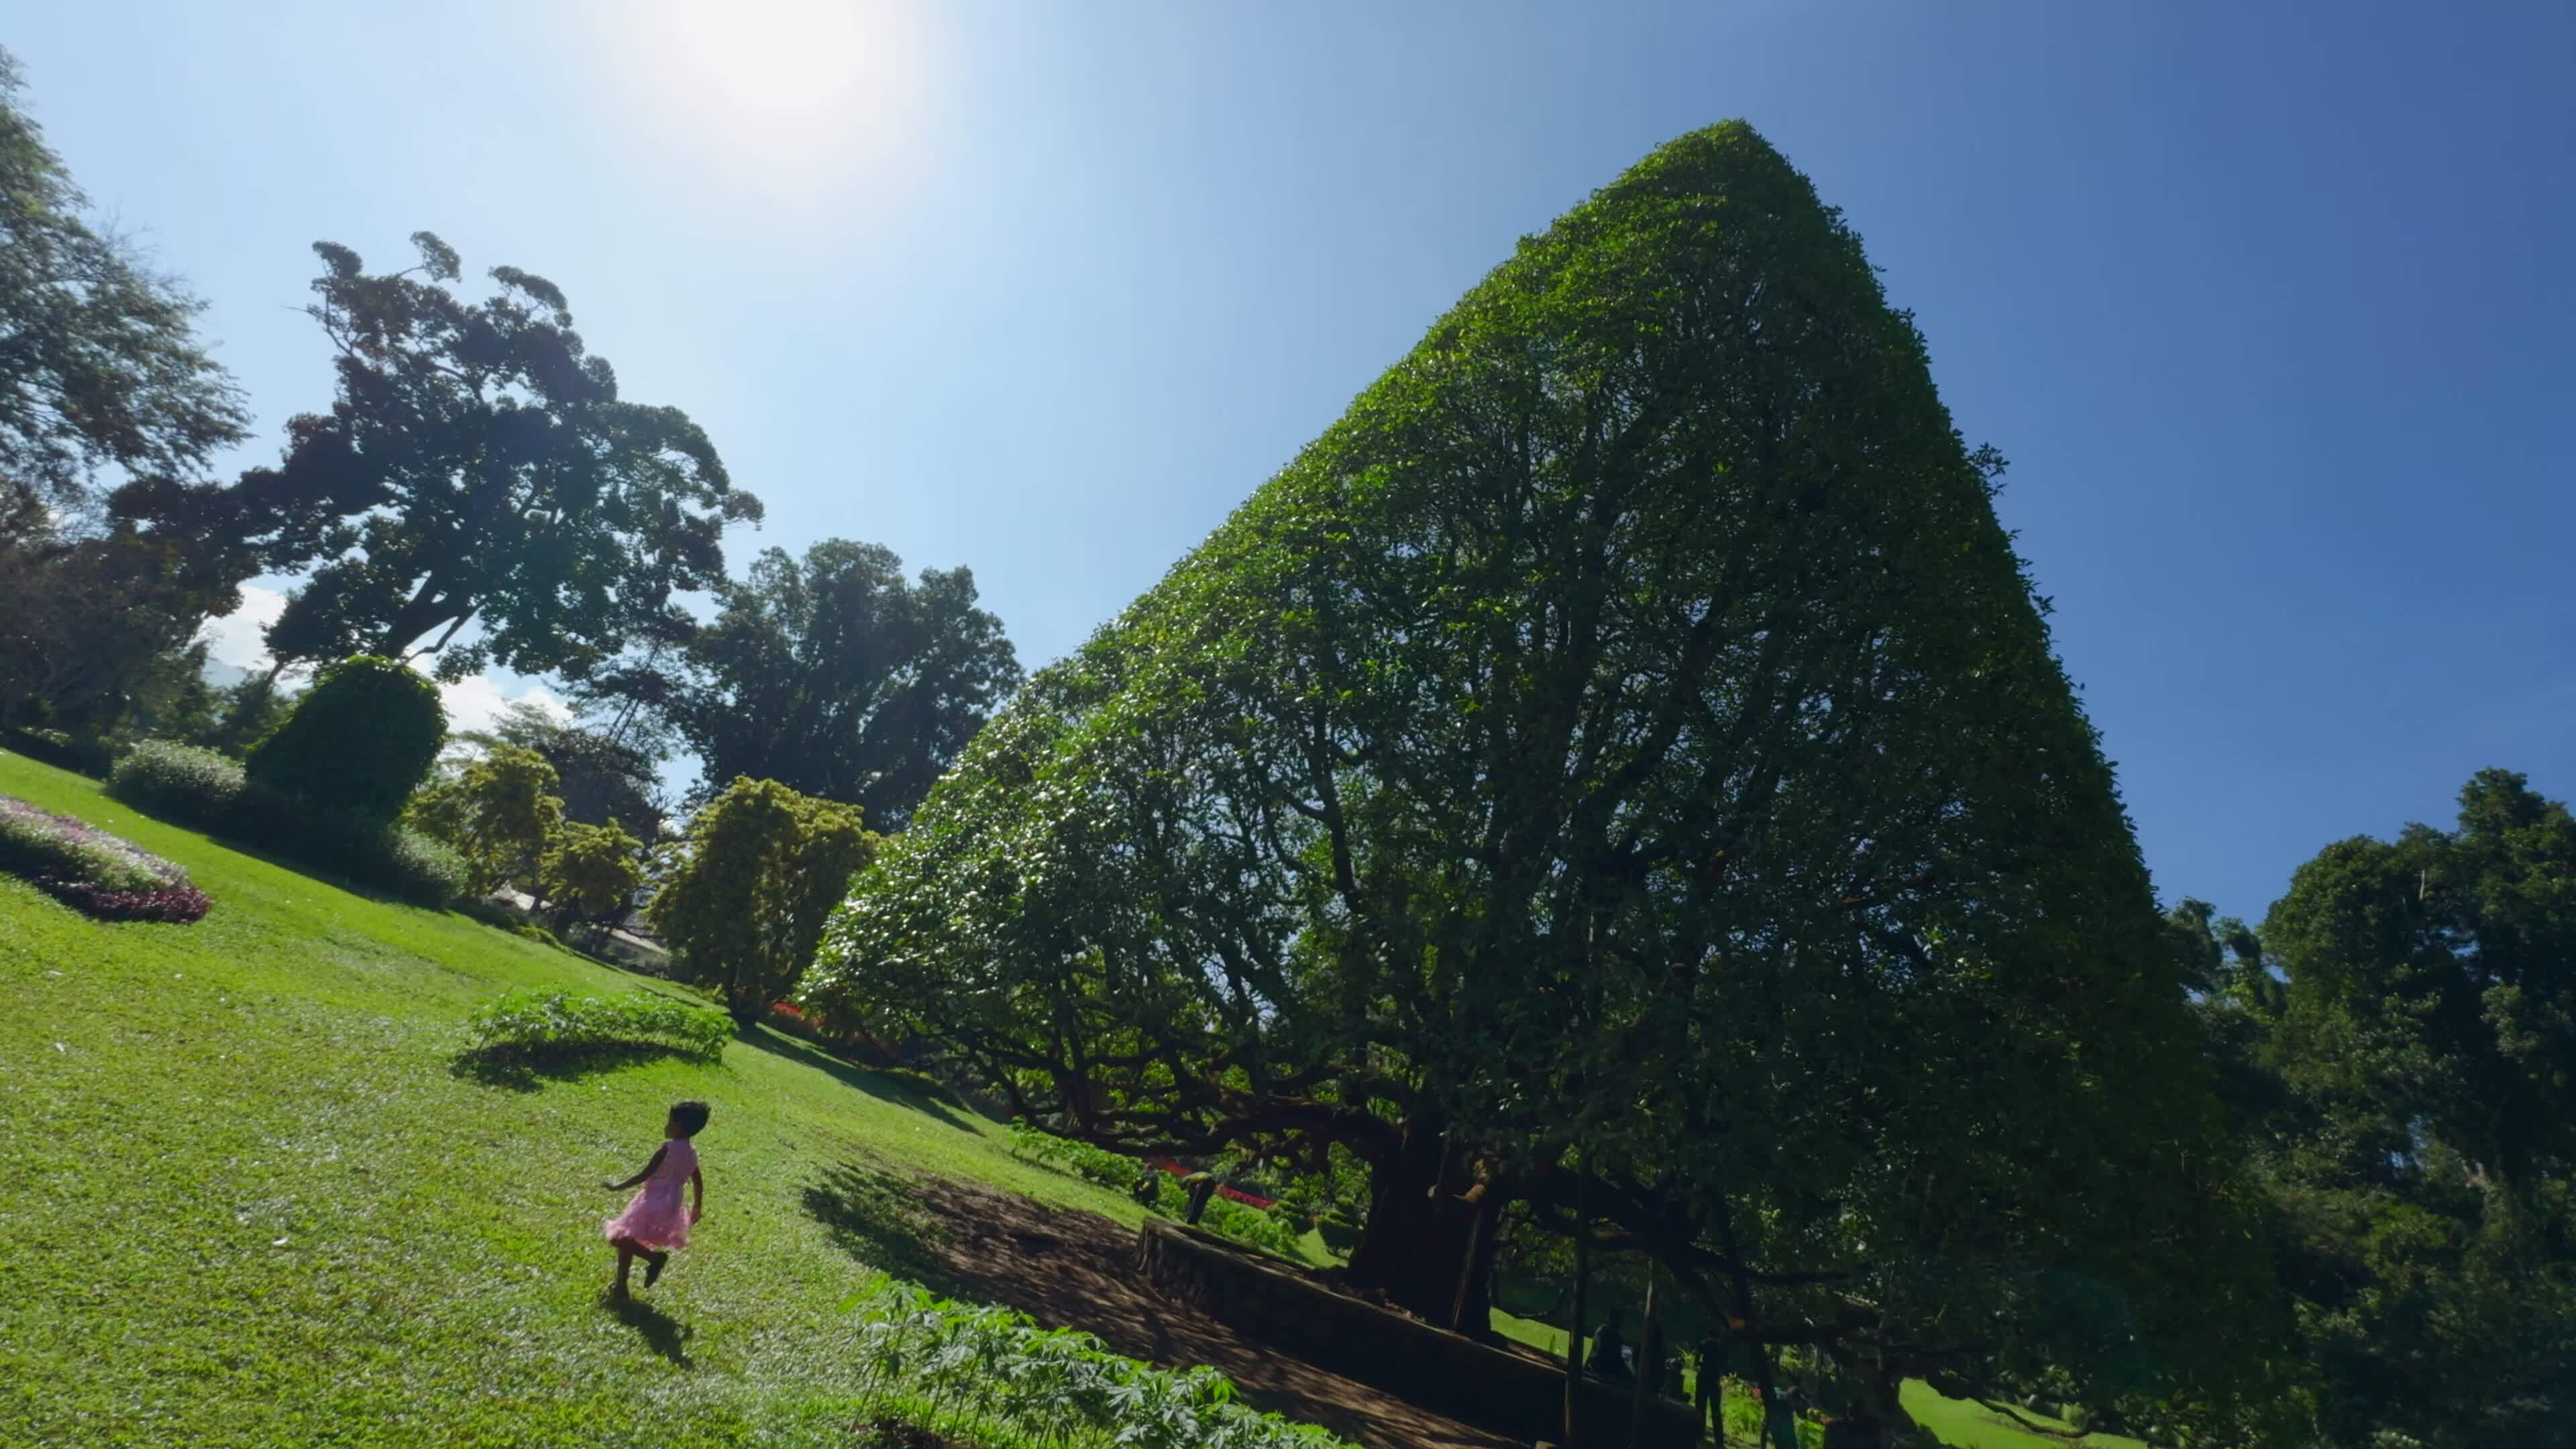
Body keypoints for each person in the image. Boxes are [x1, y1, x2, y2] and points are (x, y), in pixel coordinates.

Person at [602, 1099, 708, 1298]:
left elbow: (643, 1175)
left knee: (618, 1238)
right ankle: (621, 1286)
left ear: (677, 1125)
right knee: (628, 1240)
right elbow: (698, 1182)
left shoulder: (667, 1149)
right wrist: (697, 1207)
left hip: (653, 1201)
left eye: (669, 1121)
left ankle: (654, 1259)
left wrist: (617, 1187)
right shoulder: (692, 1154)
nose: (666, 1126)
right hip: (673, 1204)